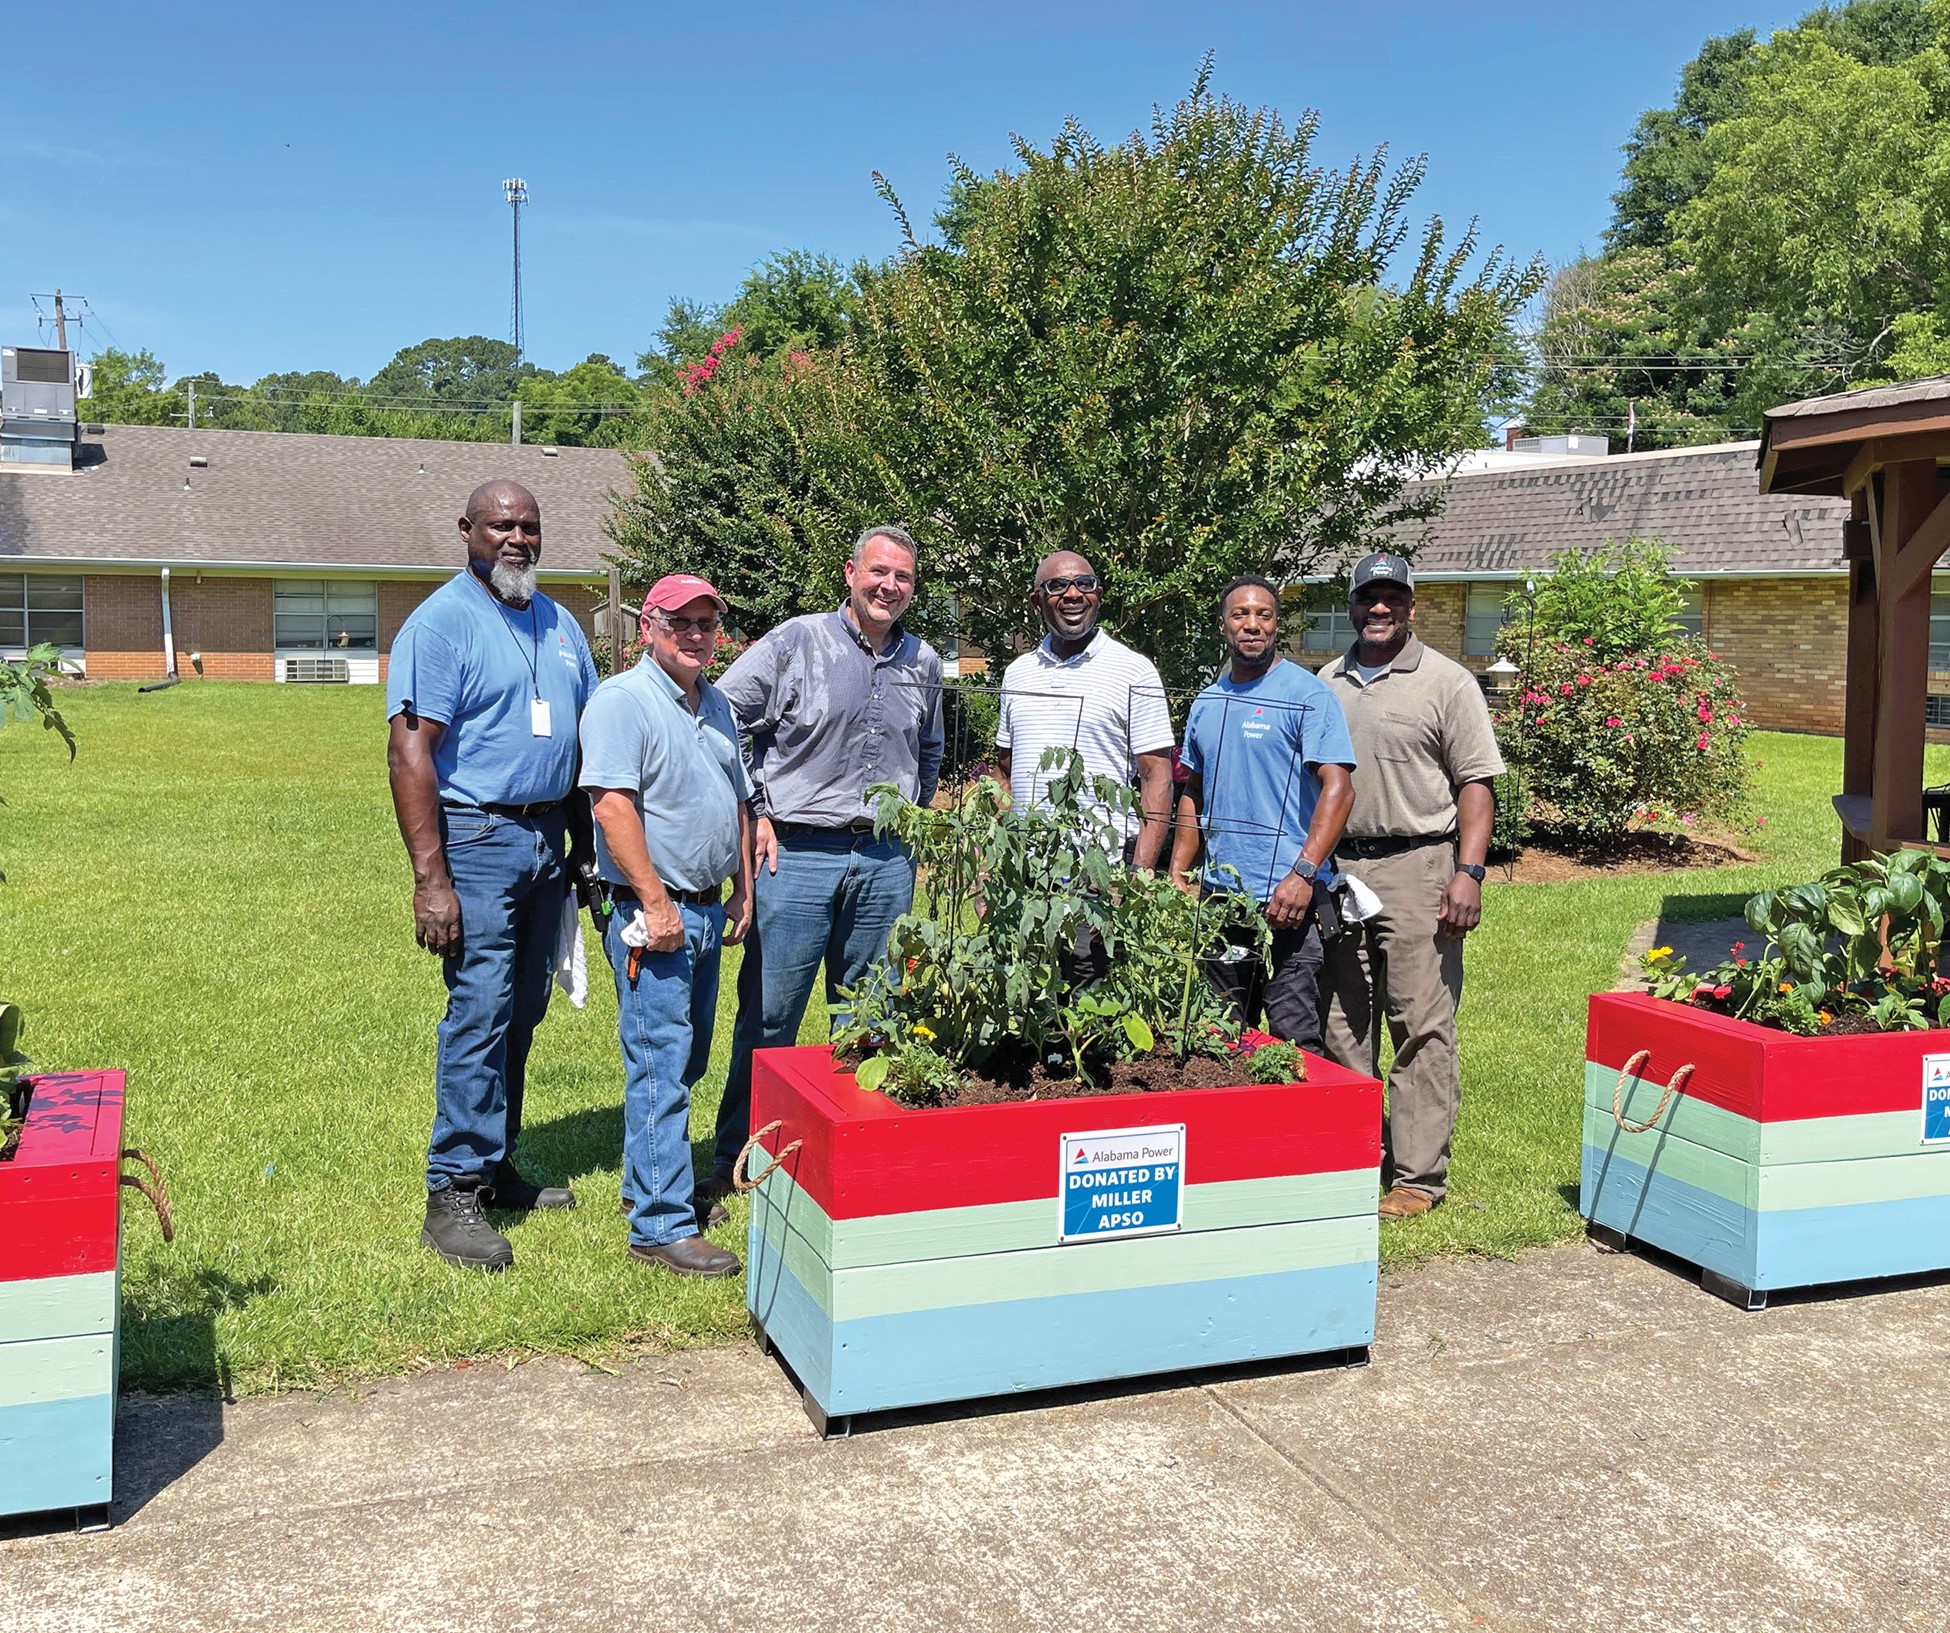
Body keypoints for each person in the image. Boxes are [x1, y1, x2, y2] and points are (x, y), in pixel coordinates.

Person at [386, 479, 600, 1272]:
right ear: (466, 529)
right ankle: (453, 1191)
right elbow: (410, 751)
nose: (517, 538)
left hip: (546, 838)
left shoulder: (559, 624)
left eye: (530, 526)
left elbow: (583, 743)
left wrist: (583, 851)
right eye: (501, 525)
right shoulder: (441, 624)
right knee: (479, 1009)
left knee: (524, 1008)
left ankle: (498, 1162)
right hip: (474, 837)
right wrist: (430, 879)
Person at [705, 526, 945, 1211]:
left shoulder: (923, 661)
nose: (888, 585)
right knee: (769, 1016)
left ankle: (853, 1159)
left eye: (902, 575)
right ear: (849, 572)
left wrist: (913, 820)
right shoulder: (795, 642)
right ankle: (737, 1159)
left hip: (882, 861)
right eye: (877, 571)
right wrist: (754, 809)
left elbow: (928, 752)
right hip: (797, 854)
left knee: (869, 1016)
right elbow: (722, 716)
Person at [1318, 552, 1504, 1220]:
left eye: (1392, 597)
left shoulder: (1447, 682)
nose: (1379, 608)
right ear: (1351, 605)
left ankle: (1418, 1177)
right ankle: (1355, 1155)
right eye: (1368, 596)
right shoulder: (1327, 682)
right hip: (1340, 871)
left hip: (1420, 864)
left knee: (1420, 1020)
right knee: (1342, 1021)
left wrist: (1469, 871)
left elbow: (1475, 785)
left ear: (1410, 607)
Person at [580, 574, 753, 1277]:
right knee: (659, 1066)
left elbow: (737, 798)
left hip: (707, 907)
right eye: (681, 621)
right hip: (657, 912)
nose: (696, 634)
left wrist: (742, 887)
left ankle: (648, 1188)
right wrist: (656, 904)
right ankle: (659, 1226)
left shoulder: (716, 704)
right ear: (648, 624)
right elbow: (611, 807)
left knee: (684, 1060)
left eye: (707, 623)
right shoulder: (623, 701)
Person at [1169, 574, 1355, 1050]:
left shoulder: (1307, 695)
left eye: (1264, 615)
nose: (1252, 625)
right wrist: (1178, 872)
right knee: (1221, 1037)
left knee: (1295, 1036)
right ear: (1223, 627)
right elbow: (1193, 790)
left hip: (1286, 904)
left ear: (1276, 625)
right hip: (1221, 902)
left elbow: (1339, 789)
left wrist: (1303, 874)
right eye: (1240, 614)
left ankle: (1306, 1125)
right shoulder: (1208, 703)